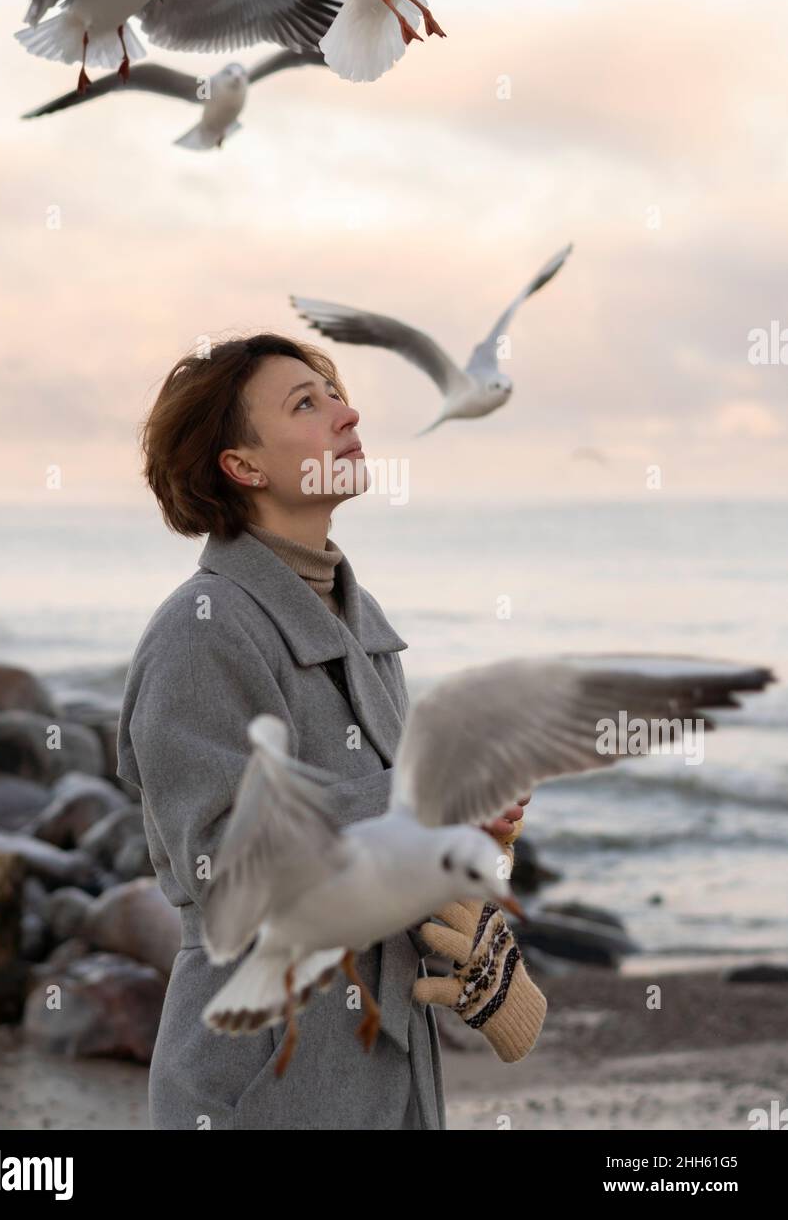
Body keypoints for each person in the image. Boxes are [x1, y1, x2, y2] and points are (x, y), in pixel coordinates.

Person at [116, 333, 543, 1130]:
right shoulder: (201, 632)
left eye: (335, 394)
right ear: (242, 466)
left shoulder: (360, 622)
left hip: (393, 1065)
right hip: (263, 1078)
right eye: (306, 404)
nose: (348, 414)